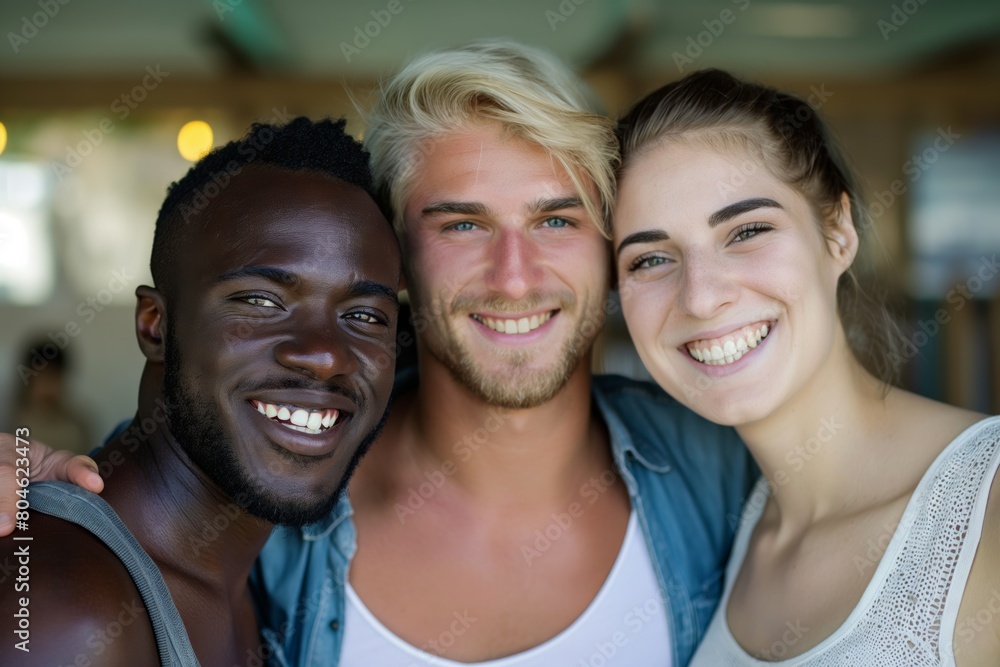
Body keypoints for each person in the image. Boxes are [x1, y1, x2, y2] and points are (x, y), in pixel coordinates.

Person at [0, 42, 756, 666]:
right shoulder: (274, 490)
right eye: (463, 224)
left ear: (609, 243)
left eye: (557, 220)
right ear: (396, 255)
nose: (515, 276)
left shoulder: (722, 464)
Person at [613, 68, 1000, 665]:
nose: (700, 297)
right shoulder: (723, 538)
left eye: (747, 231)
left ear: (838, 232)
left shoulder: (988, 501)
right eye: (650, 259)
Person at [0, 117, 402, 666]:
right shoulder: (68, 611)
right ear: (155, 326)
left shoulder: (264, 586)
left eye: (364, 315)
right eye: (261, 301)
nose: (326, 355)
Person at [6, 337, 92, 455]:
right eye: (42, 377)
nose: (48, 386)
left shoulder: (77, 427)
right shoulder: (11, 422)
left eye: (54, 377)